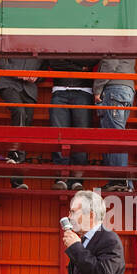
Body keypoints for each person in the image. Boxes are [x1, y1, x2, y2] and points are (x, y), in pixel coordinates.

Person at [48, 58, 99, 189]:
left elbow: (92, 61)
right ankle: (62, 178)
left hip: (83, 91)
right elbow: (53, 62)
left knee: (81, 137)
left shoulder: (89, 41)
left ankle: (77, 180)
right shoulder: (57, 43)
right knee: (58, 135)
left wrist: (67, 64)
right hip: (61, 90)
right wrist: (79, 67)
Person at [0, 57, 42, 188]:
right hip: (10, 85)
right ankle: (14, 152)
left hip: (30, 91)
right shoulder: (12, 41)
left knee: (26, 128)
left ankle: (17, 180)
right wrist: (17, 73)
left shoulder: (42, 48)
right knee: (19, 112)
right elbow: (0, 60)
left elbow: (44, 68)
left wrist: (37, 77)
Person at [93, 58, 137, 191]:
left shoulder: (112, 40)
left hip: (114, 89)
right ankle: (118, 181)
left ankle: (120, 180)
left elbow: (110, 63)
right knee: (117, 135)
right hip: (127, 89)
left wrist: (97, 89)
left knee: (115, 136)